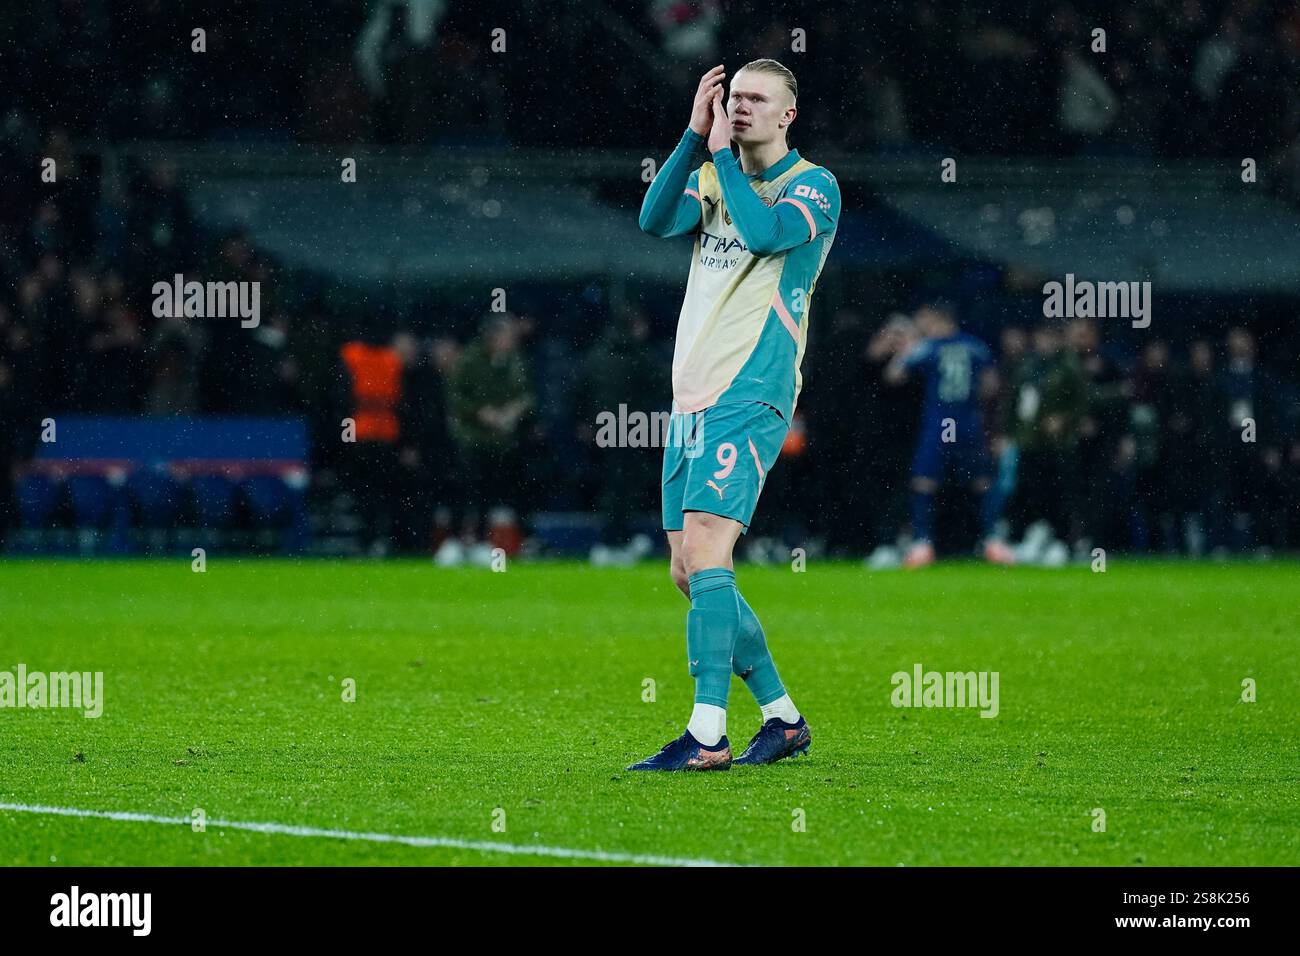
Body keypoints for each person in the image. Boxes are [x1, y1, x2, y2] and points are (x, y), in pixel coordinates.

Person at [630, 59, 840, 771]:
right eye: (734, 96)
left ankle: (707, 733)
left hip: (751, 387)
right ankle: (782, 718)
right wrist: (694, 139)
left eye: (757, 99)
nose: (741, 107)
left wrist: (720, 152)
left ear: (788, 116)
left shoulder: (814, 185)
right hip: (691, 392)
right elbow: (654, 218)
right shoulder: (712, 170)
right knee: (687, 570)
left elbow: (762, 235)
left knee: (709, 547)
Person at [885, 302, 1012, 567]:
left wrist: (906, 349)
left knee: (924, 481)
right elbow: (991, 386)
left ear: (936, 319)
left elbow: (894, 375)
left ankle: (923, 543)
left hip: (940, 424)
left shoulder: (929, 347)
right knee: (980, 481)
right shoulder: (975, 346)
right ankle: (992, 540)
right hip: (967, 423)